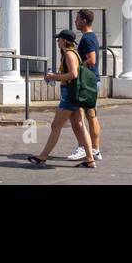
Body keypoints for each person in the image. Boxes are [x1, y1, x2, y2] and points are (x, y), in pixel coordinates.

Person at [28, 30, 96, 169]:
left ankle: (43, 156)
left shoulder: (69, 54)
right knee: (80, 126)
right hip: (74, 94)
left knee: (56, 126)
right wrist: (57, 75)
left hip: (69, 95)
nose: (57, 41)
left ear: (64, 41)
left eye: (59, 39)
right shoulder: (74, 53)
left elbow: (73, 74)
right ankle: (90, 159)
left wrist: (54, 77)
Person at [66, 9, 103, 161]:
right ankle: (94, 149)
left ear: (84, 21)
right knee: (90, 115)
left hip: (88, 83)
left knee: (83, 116)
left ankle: (87, 148)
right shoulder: (91, 37)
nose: (75, 21)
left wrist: (79, 66)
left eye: (77, 19)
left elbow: (92, 60)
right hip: (93, 82)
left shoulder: (87, 39)